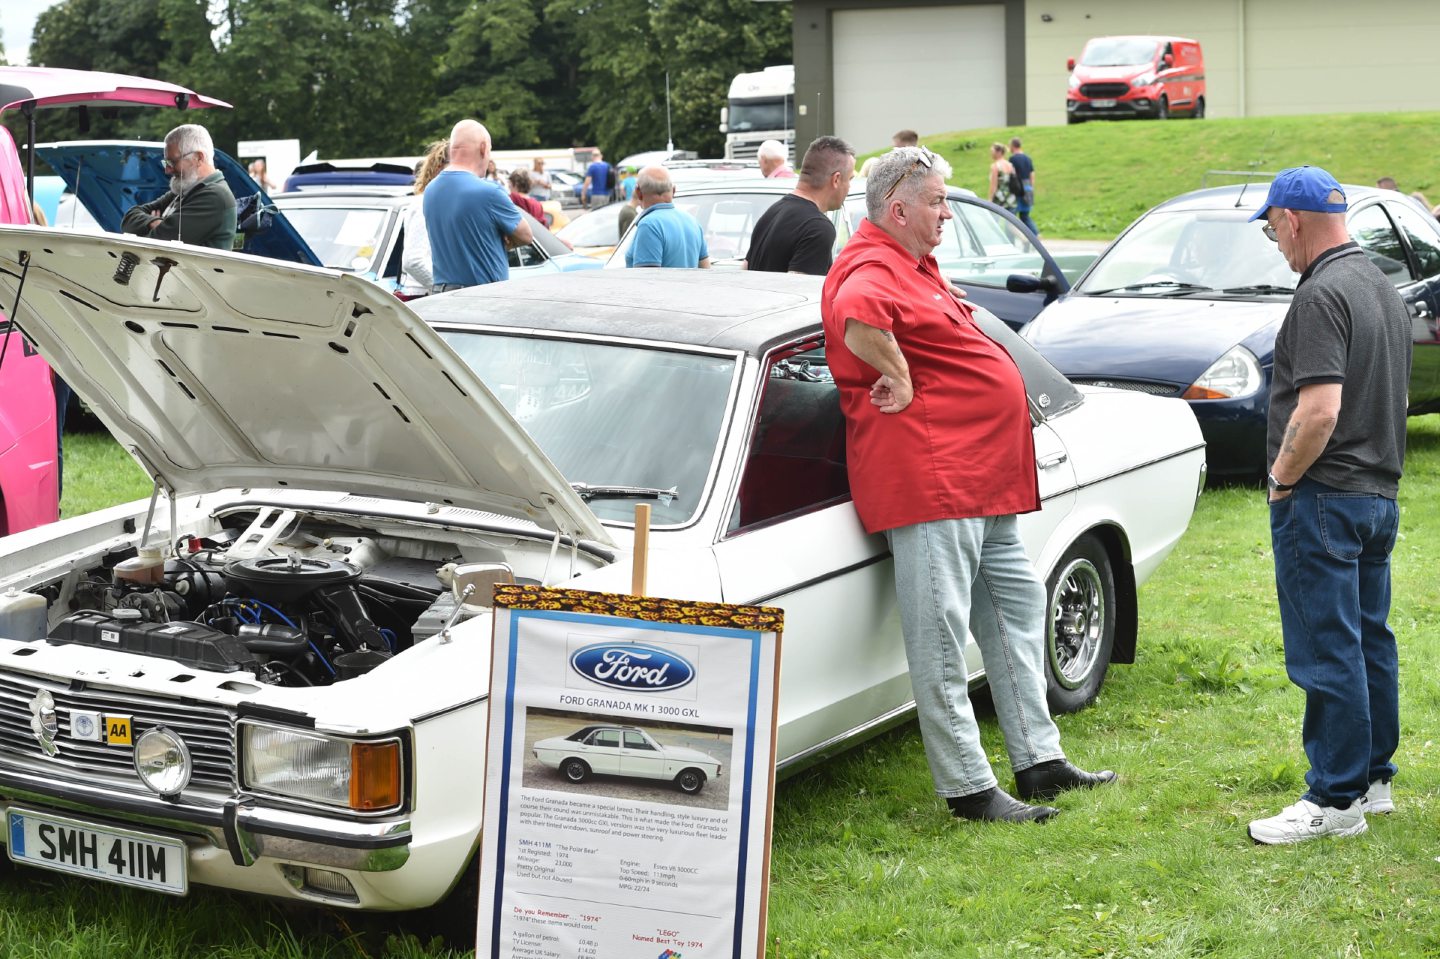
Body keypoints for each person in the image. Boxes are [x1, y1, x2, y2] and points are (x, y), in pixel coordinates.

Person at [821, 146, 1115, 824]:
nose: (947, 213)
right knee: (942, 637)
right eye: (937, 203)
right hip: (933, 480)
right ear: (898, 209)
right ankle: (968, 789)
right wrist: (896, 369)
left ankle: (1039, 758)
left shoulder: (914, 263)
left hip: (981, 479)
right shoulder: (869, 264)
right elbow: (860, 318)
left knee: (1017, 609)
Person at [1245, 167, 1411, 845]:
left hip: (1325, 498)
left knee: (1328, 646)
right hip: (1378, 495)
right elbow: (1394, 402)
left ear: (1292, 220)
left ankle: (1334, 799)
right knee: (1370, 638)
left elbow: (1318, 411)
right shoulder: (1382, 289)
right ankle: (1373, 781)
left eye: (1271, 228)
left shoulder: (1319, 296)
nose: (1275, 243)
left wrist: (1283, 479)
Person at [424, 119, 534, 291]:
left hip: (441, 293)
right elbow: (526, 235)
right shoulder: (488, 191)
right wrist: (507, 241)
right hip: (480, 295)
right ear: (483, 148)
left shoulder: (431, 190)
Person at [745, 135, 855, 275]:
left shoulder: (771, 213)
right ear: (836, 179)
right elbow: (802, 291)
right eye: (850, 179)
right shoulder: (818, 228)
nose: (850, 187)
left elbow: (745, 269)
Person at [120, 124, 236, 250]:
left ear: (198, 158)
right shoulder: (185, 188)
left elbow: (157, 243)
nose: (167, 170)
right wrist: (153, 222)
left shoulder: (214, 196)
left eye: (172, 162)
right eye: (166, 163)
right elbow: (128, 218)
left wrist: (154, 226)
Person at [625, 166, 710, 269]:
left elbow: (647, 280)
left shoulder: (649, 225)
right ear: (673, 190)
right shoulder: (692, 221)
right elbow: (706, 269)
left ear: (638, 192)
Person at [399, 139, 447, 298]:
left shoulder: (435, 202)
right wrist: (446, 289)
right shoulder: (424, 204)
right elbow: (414, 261)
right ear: (439, 168)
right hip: (422, 296)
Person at [1009, 137, 1038, 235]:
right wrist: (1030, 188)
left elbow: (1012, 175)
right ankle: (1035, 234)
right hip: (1028, 187)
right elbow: (1032, 174)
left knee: (1011, 218)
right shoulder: (1028, 158)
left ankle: (1012, 238)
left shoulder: (1013, 159)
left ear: (1013, 146)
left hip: (1018, 189)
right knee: (1025, 216)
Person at [987, 141, 1018, 212]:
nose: (991, 154)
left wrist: (990, 199)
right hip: (1011, 198)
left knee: (995, 221)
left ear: (998, 152)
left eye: (992, 151)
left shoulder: (995, 166)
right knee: (1011, 222)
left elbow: (993, 185)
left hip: (999, 199)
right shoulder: (1010, 165)